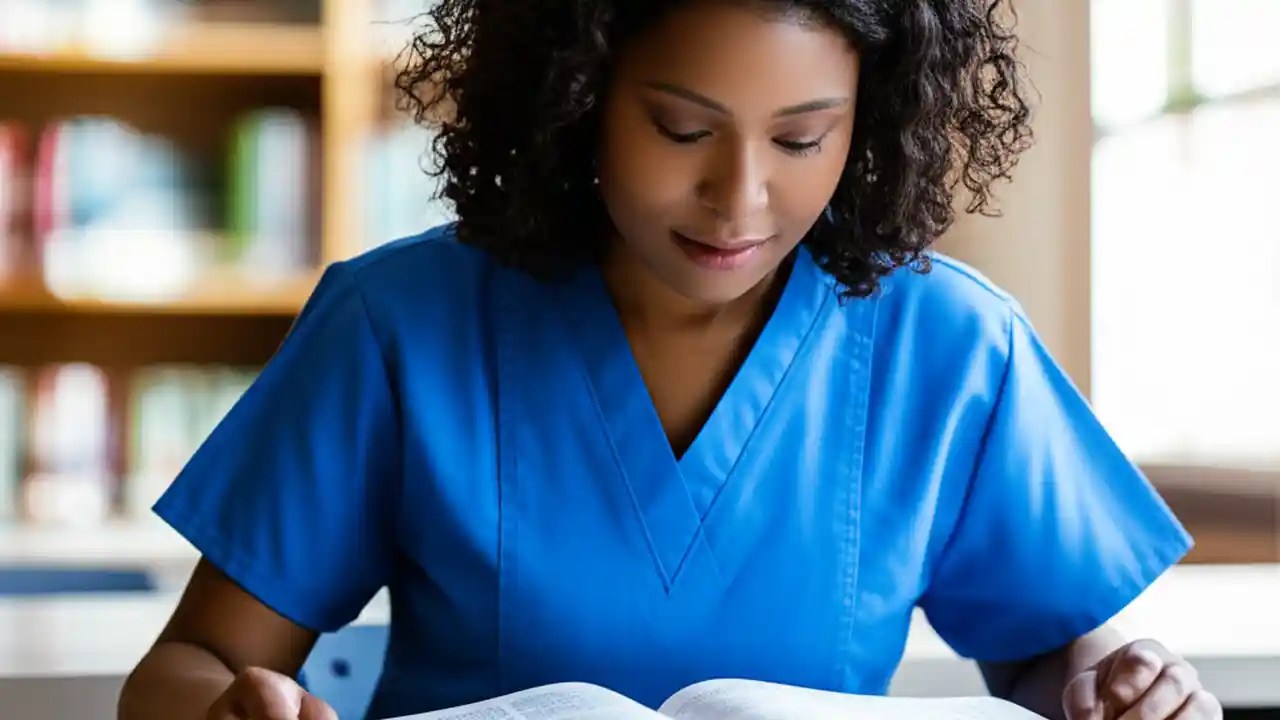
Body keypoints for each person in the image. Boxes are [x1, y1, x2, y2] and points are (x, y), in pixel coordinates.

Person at [118, 1, 1221, 719]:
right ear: (578, 95)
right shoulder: (398, 325)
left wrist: (1121, 689)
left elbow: (1059, 655)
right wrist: (230, 708)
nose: (739, 199)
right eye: (683, 131)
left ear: (870, 121)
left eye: (800, 139)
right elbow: (181, 671)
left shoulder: (951, 349)